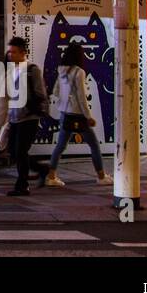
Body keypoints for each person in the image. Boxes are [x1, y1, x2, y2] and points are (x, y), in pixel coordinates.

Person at [47, 41, 110, 186]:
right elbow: (82, 97)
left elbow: (55, 91)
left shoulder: (62, 70)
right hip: (78, 115)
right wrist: (88, 117)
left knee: (60, 146)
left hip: (65, 113)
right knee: (94, 145)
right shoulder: (79, 72)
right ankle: (101, 176)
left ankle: (51, 176)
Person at [5, 36, 49, 197]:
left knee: (20, 151)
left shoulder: (32, 69)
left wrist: (32, 108)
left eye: (14, 52)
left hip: (28, 117)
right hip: (15, 117)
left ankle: (22, 185)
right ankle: (42, 169)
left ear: (23, 53)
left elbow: (40, 93)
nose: (11, 55)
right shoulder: (13, 69)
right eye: (9, 52)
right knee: (14, 151)